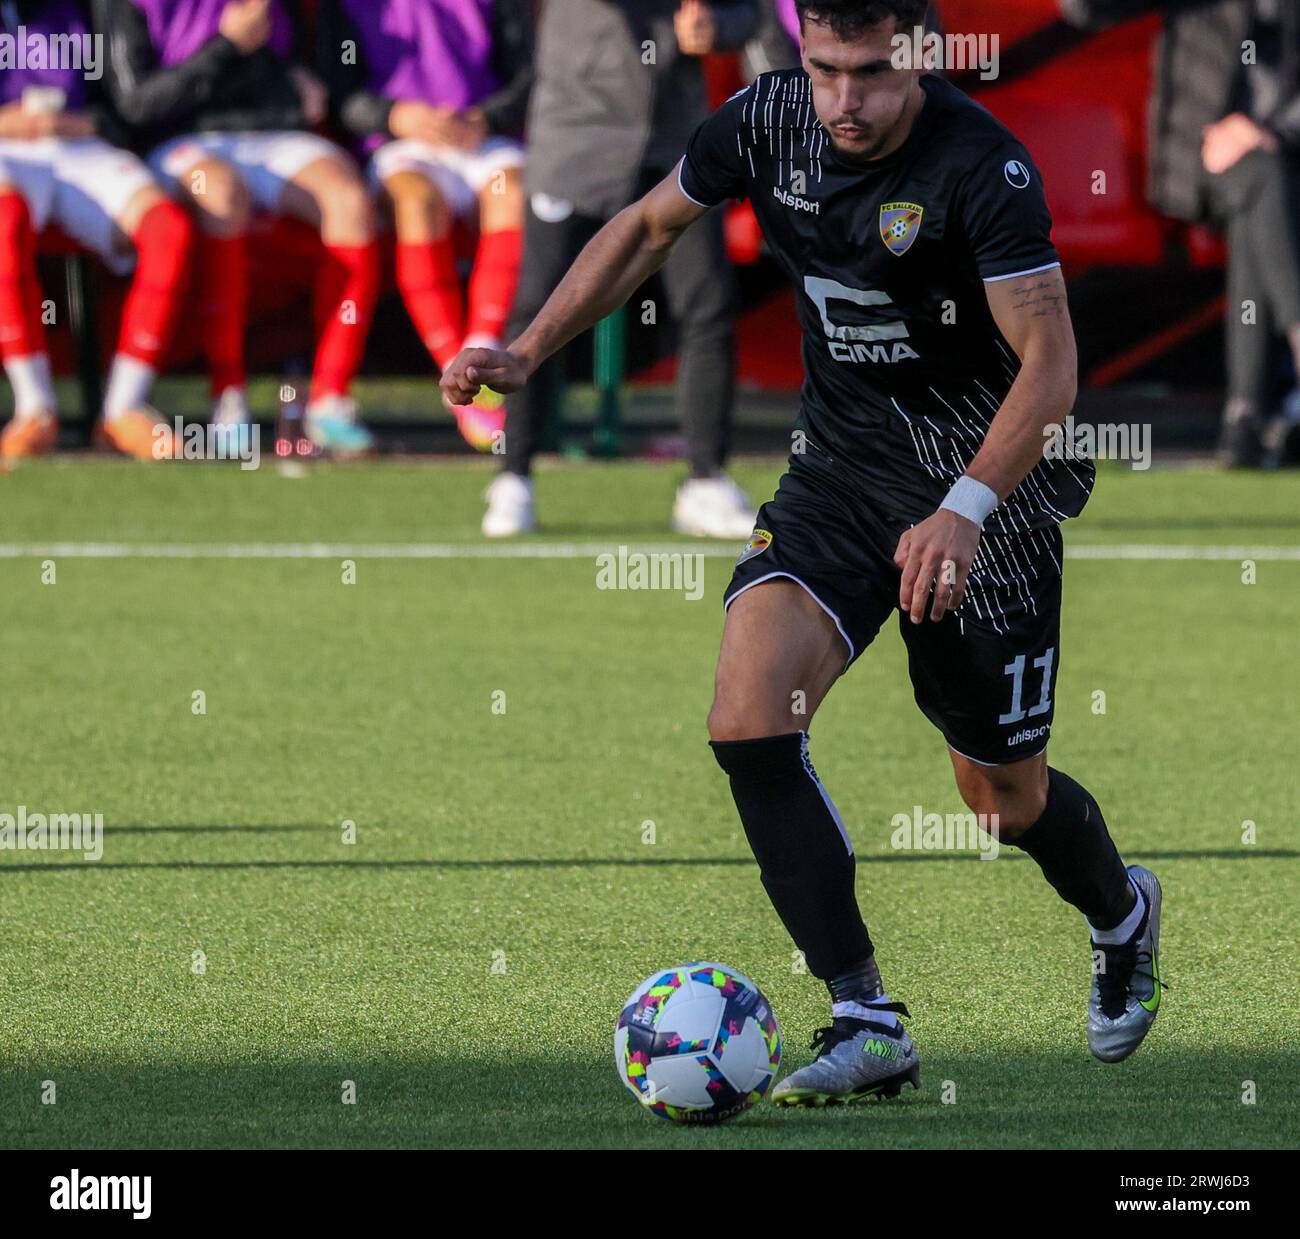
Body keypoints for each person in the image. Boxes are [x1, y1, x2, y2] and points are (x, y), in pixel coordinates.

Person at [443, 0, 1166, 1103]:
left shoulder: (982, 166)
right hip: (837, 476)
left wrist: (967, 505)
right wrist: (529, 350)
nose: (843, 101)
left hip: (984, 500)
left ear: (918, 55)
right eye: (824, 70)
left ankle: (1119, 913)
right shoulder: (764, 121)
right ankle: (866, 1016)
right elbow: (645, 228)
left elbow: (1051, 366)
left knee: (1000, 801)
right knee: (746, 716)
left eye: (870, 73)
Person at [479, 0, 761, 539]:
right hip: (577, 131)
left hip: (674, 136)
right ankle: (513, 473)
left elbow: (752, 13)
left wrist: (715, 25)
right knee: (536, 298)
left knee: (708, 301)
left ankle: (705, 478)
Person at [96, 0, 380, 457]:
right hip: (183, 140)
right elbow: (137, 107)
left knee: (350, 203)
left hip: (271, 137)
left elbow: (304, 81)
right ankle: (228, 395)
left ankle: (330, 400)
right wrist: (227, 45)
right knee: (223, 194)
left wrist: (295, 81)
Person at [1063, 0, 1300, 467]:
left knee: (1261, 204)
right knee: (1264, 184)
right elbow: (1085, 10)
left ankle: (1243, 421)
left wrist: (1268, 132)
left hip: (1281, 155)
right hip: (1200, 157)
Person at [315, 0, 532, 452]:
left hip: (482, 138)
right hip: (403, 144)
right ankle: (465, 385)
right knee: (416, 201)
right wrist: (392, 116)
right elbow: (337, 92)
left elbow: (527, 73)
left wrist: (486, 117)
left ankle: (478, 357)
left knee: (512, 195)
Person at [0, 0, 193, 461]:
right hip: (7, 151)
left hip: (80, 144)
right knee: (4, 220)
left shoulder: (94, 8)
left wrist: (81, 123)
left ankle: (124, 409)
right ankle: (34, 409)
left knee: (168, 230)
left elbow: (130, 102)